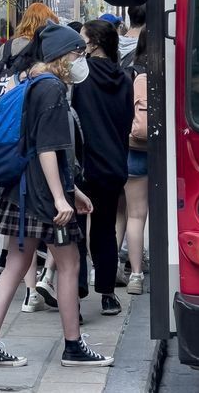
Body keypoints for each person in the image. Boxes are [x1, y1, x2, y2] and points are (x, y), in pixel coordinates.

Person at [0, 22, 112, 367]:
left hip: (22, 193)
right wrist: (62, 198)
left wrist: (73, 190)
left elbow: (36, 146)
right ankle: (73, 345)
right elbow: (48, 149)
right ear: (62, 56)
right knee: (69, 264)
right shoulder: (51, 89)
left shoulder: (33, 82)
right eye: (77, 53)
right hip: (43, 198)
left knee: (16, 266)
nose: (81, 59)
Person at [0, 2, 58, 311]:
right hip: (29, 138)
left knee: (18, 224)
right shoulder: (40, 54)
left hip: (6, 138)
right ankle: (41, 282)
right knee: (34, 223)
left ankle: (29, 289)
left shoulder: (8, 48)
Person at [69, 19, 133, 315]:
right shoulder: (125, 78)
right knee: (105, 229)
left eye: (82, 40)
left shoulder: (81, 73)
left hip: (83, 165)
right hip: (114, 165)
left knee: (76, 233)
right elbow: (127, 122)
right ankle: (108, 294)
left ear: (93, 43)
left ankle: (76, 298)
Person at [123, 31, 149, 295]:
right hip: (166, 150)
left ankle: (136, 274)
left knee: (135, 215)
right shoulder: (169, 69)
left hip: (134, 148)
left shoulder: (130, 70)